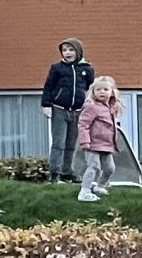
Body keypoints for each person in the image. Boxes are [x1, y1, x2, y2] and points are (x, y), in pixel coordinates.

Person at [41, 38, 94, 182]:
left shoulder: (86, 69)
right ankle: (54, 173)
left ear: (78, 51)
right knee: (59, 142)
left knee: (71, 143)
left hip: (77, 110)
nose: (67, 53)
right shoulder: (57, 68)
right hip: (59, 109)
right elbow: (48, 87)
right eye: (65, 50)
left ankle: (66, 171)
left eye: (71, 50)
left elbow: (89, 87)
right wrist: (46, 105)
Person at [76, 76, 122, 202]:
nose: (102, 92)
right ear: (93, 92)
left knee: (110, 168)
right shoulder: (91, 107)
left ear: (112, 92)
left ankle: (100, 186)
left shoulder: (111, 108)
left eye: (105, 89)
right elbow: (83, 124)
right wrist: (85, 141)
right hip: (92, 144)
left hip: (106, 144)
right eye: (98, 90)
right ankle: (84, 191)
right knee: (94, 166)